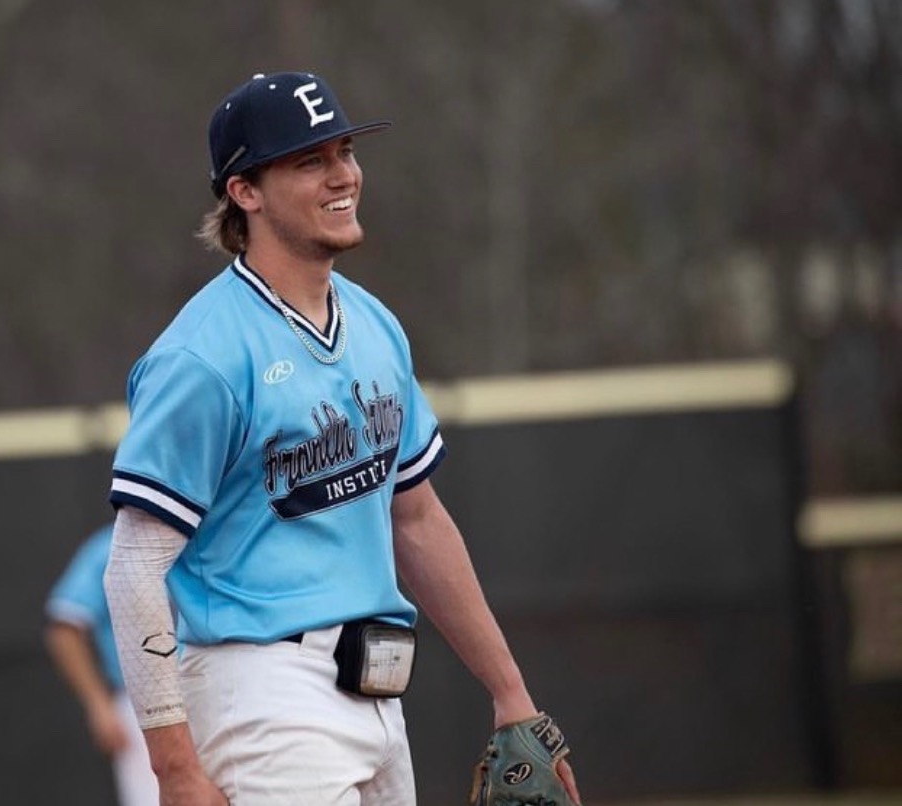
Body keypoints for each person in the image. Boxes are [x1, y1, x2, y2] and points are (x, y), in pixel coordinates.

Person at [101, 71, 580, 806]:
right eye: (309, 161)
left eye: (346, 152)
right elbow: (134, 567)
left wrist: (511, 693)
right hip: (259, 693)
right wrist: (174, 768)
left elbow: (416, 518)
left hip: (377, 693)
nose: (343, 176)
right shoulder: (203, 356)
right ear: (245, 191)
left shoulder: (374, 324)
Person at [45, 522, 160, 806]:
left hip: (222, 692)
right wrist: (98, 704)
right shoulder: (112, 546)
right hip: (145, 702)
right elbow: (64, 627)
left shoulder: (218, 534)